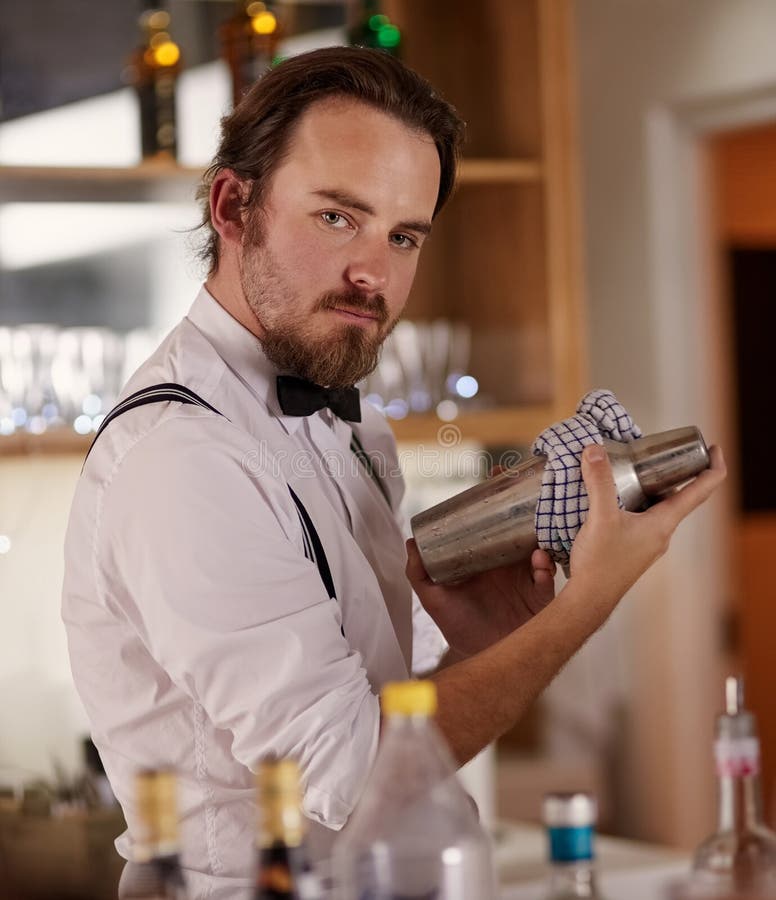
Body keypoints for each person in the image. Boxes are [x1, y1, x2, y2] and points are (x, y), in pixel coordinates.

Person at [62, 46, 726, 899]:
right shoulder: (182, 458)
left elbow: (397, 733)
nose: (374, 272)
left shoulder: (356, 426)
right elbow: (356, 777)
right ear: (234, 206)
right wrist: (590, 601)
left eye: (403, 235)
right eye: (338, 217)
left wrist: (494, 642)